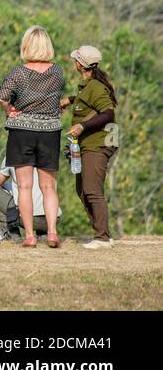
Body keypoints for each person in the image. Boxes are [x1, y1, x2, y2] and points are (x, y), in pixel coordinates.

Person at [0, 25, 65, 248]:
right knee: (49, 187)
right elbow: (56, 97)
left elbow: (2, 97)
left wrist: (10, 111)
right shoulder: (58, 72)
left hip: (22, 132)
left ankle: (29, 235)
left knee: (24, 187)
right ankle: (53, 233)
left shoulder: (18, 72)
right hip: (50, 131)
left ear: (26, 46)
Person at [62, 45, 118, 249]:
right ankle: (102, 232)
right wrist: (70, 100)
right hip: (86, 145)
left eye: (75, 59)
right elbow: (88, 102)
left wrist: (82, 125)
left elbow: (108, 113)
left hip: (97, 144)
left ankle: (102, 237)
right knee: (82, 190)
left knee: (92, 190)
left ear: (80, 64)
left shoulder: (96, 86)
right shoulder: (89, 85)